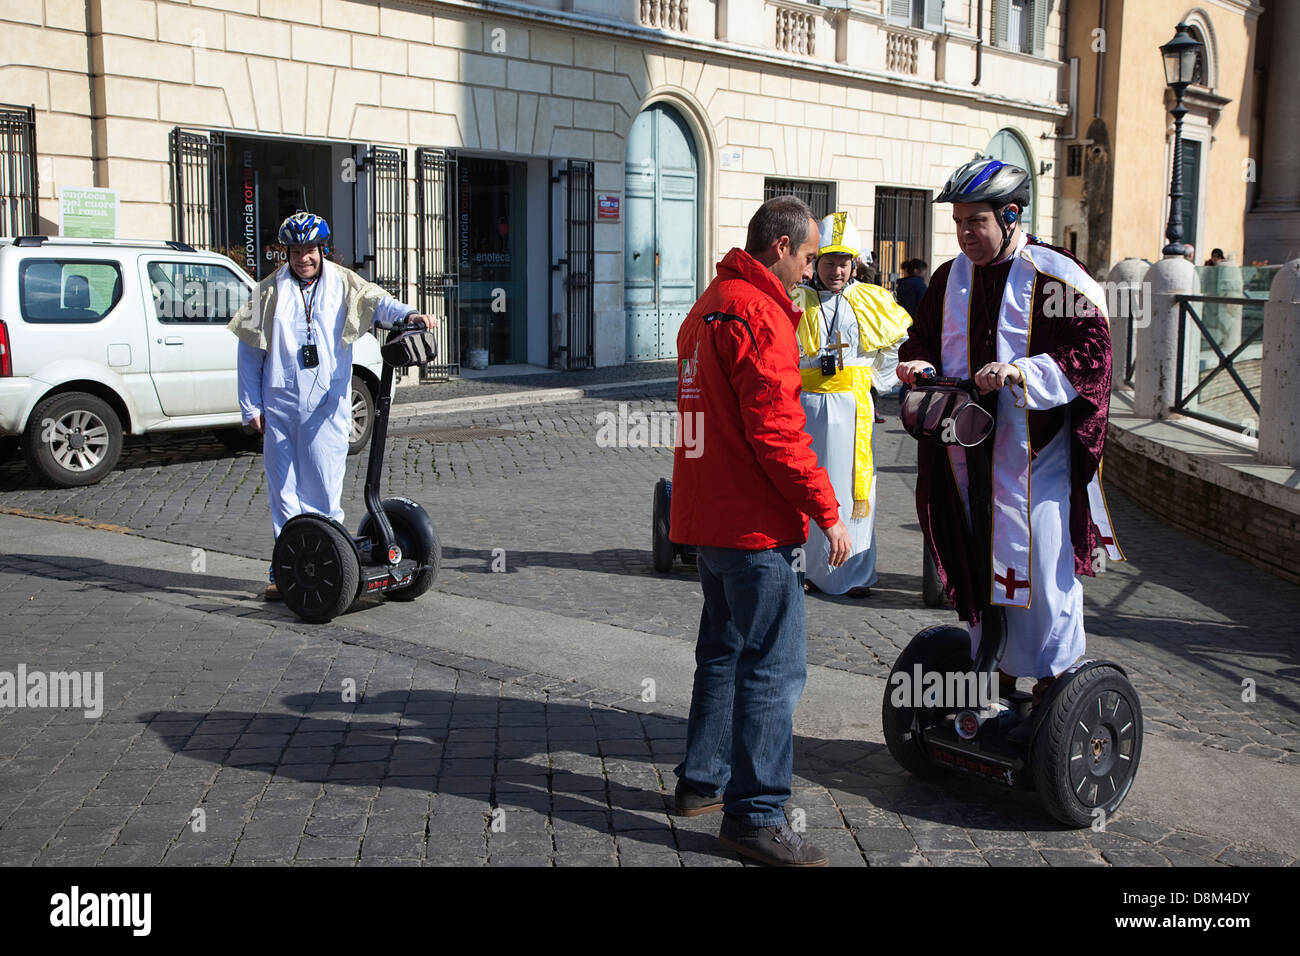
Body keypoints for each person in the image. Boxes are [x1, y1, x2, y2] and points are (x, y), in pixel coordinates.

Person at [896, 158, 1123, 727]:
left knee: (1041, 566)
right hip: (965, 452)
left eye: (976, 221)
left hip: (1034, 456)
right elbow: (919, 338)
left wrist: (1024, 373)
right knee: (976, 556)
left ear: (1012, 215)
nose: (965, 234)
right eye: (958, 223)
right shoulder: (949, 278)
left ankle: (1054, 683)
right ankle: (988, 669)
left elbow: (1092, 355)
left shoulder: (1055, 276)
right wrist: (915, 362)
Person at [669, 195, 851, 867]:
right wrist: (827, 510)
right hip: (751, 526)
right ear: (780, 246)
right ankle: (757, 816)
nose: (811, 269)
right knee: (773, 667)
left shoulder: (710, 302)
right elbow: (777, 432)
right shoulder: (757, 312)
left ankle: (702, 781)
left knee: (722, 652)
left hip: (709, 517)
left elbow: (699, 420)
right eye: (807, 256)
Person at [228, 212, 437, 600]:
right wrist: (249, 407)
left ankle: (334, 566)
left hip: (328, 402)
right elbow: (248, 353)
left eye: (309, 249)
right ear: (286, 252)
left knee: (324, 487)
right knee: (284, 491)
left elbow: (379, 303)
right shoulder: (267, 291)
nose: (303, 257)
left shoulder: (343, 282)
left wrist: (410, 315)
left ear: (320, 249)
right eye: (295, 250)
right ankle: (285, 569)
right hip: (281, 404)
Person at [791, 212, 912, 598]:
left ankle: (855, 574)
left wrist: (876, 380)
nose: (837, 270)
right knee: (813, 486)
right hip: (808, 406)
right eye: (829, 261)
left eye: (845, 262)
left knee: (856, 493)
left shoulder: (872, 300)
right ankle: (808, 569)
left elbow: (892, 348)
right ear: (818, 261)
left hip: (855, 410)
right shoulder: (795, 299)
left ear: (854, 263)